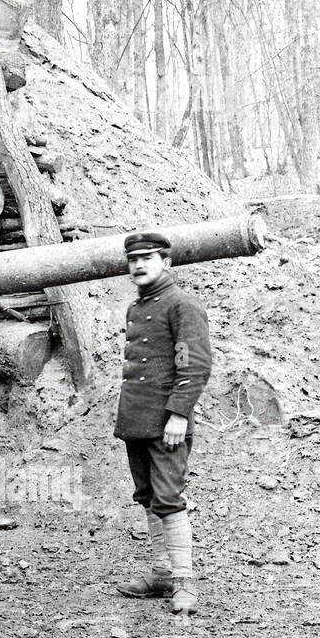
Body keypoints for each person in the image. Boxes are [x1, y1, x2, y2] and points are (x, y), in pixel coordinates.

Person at [114, 230, 212, 615]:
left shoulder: (182, 305)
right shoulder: (137, 307)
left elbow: (194, 365)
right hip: (137, 419)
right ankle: (161, 574)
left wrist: (178, 414)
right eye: (133, 260)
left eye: (148, 258)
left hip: (166, 421)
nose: (138, 265)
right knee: (149, 498)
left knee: (169, 500)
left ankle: (184, 582)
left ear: (166, 262)